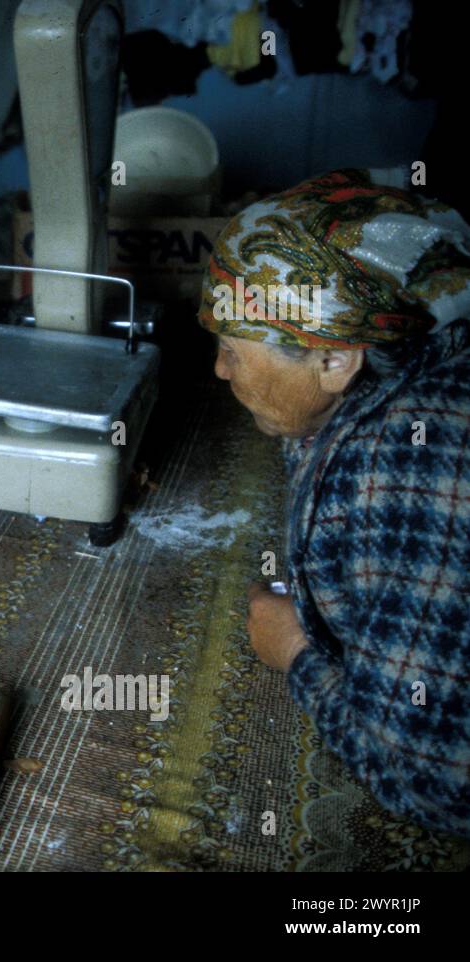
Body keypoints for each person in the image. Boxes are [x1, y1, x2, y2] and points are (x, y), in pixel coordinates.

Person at [198, 168, 470, 836]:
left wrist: (294, 649)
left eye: (233, 350)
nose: (220, 370)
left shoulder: (405, 467)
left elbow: (434, 783)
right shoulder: (410, 360)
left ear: (333, 363)